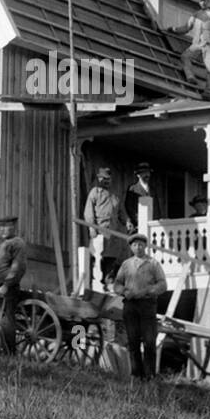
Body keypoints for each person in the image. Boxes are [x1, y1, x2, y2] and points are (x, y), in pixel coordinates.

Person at [112, 233, 166, 380]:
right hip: (130, 305)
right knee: (133, 340)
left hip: (147, 305)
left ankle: (150, 375)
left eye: (141, 244)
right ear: (131, 247)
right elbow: (116, 284)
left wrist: (148, 291)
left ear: (145, 246)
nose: (138, 247)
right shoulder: (126, 264)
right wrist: (124, 291)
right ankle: (136, 374)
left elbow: (162, 285)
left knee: (149, 341)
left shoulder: (153, 264)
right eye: (135, 245)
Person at [170, 0, 210, 98]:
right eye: (201, 1)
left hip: (209, 44)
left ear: (208, 1)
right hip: (197, 43)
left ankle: (209, 92)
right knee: (185, 56)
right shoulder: (196, 15)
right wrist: (174, 29)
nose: (203, 3)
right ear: (199, 2)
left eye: (204, 0)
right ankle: (190, 76)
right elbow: (187, 27)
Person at [0, 215, 27, 356]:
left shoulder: (18, 243)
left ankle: (9, 354)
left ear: (14, 227)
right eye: (1, 227)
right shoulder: (2, 244)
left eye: (6, 227)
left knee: (6, 322)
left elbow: (18, 267)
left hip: (8, 289)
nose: (3, 230)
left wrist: (6, 285)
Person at [83, 166, 128, 290]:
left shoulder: (115, 197)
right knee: (97, 259)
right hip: (99, 232)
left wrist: (128, 222)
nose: (106, 181)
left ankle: (108, 283)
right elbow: (88, 212)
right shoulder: (95, 192)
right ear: (99, 179)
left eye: (108, 179)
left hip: (112, 234)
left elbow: (122, 214)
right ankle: (96, 285)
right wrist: (92, 227)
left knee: (110, 259)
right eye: (103, 178)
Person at [123, 162, 157, 230]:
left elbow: (156, 209)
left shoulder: (153, 190)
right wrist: (139, 221)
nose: (147, 175)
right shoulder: (132, 189)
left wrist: (156, 221)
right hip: (137, 227)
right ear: (138, 175)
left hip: (152, 227)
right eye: (144, 173)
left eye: (148, 172)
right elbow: (129, 208)